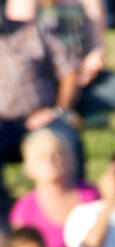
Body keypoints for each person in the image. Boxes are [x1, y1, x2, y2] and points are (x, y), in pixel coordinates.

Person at [0, 7, 82, 224]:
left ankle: (77, 213)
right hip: (4, 124)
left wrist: (59, 110)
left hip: (44, 118)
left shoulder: (33, 31)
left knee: (66, 142)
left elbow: (70, 70)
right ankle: (5, 225)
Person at [9, 127, 99, 247]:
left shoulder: (91, 196)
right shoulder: (24, 209)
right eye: (42, 157)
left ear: (71, 160)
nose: (51, 161)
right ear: (29, 166)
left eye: (58, 154)